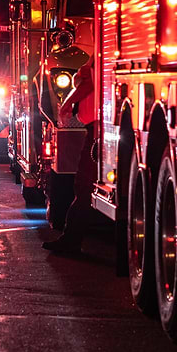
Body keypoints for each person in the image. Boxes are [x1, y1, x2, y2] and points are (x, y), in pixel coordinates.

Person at [44, 61, 97, 255]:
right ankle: (71, 238)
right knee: (84, 185)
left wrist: (67, 104)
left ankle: (71, 240)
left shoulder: (99, 48)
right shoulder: (96, 50)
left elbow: (91, 81)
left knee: (84, 185)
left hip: (98, 127)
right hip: (95, 126)